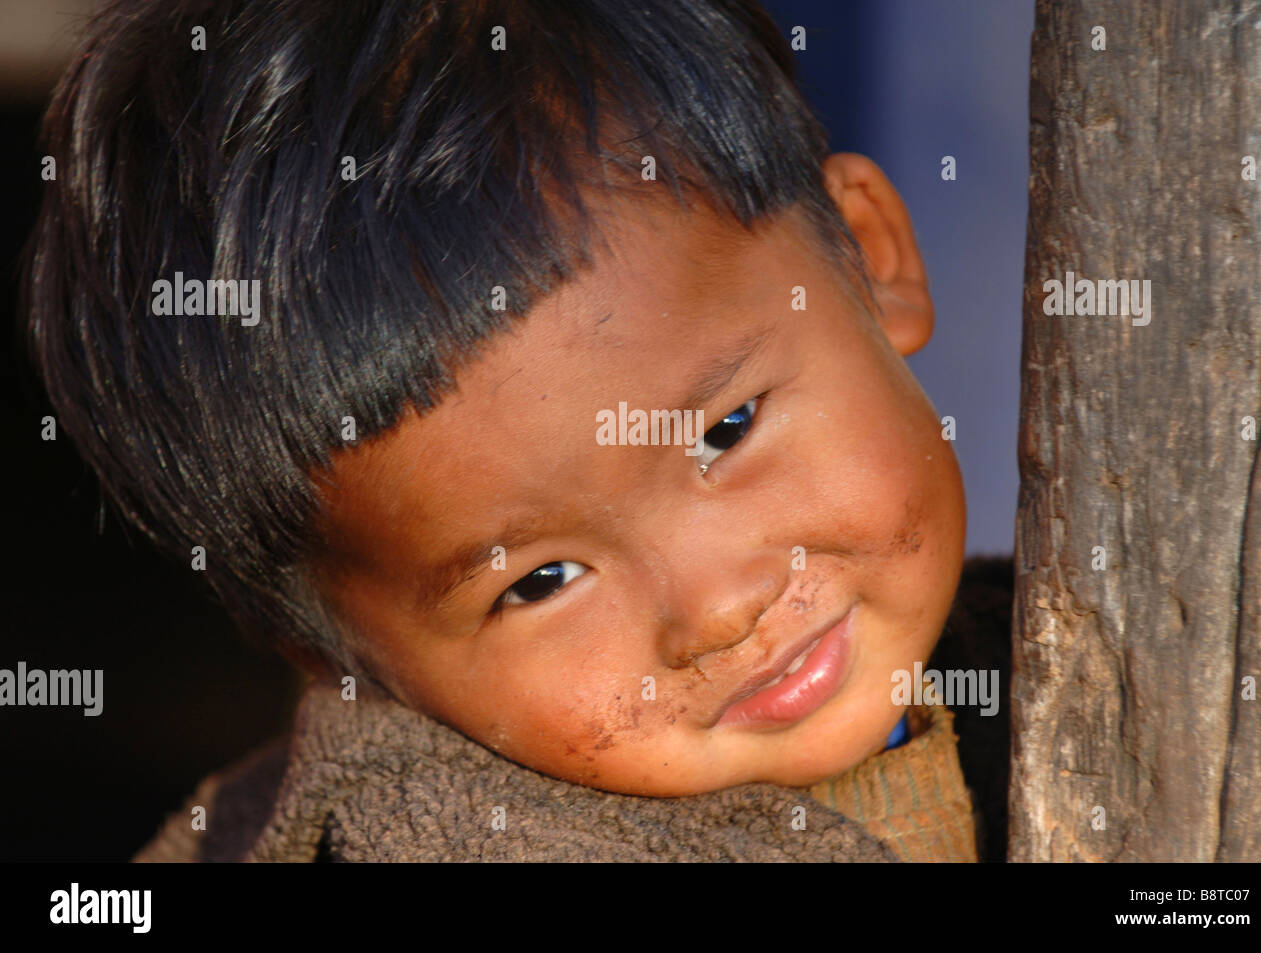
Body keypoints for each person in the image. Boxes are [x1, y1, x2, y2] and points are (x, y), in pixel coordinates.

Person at [26, 0, 1011, 862]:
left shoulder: (1061, 642)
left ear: (868, 255)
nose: (717, 610)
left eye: (726, 430)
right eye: (538, 581)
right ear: (332, 658)